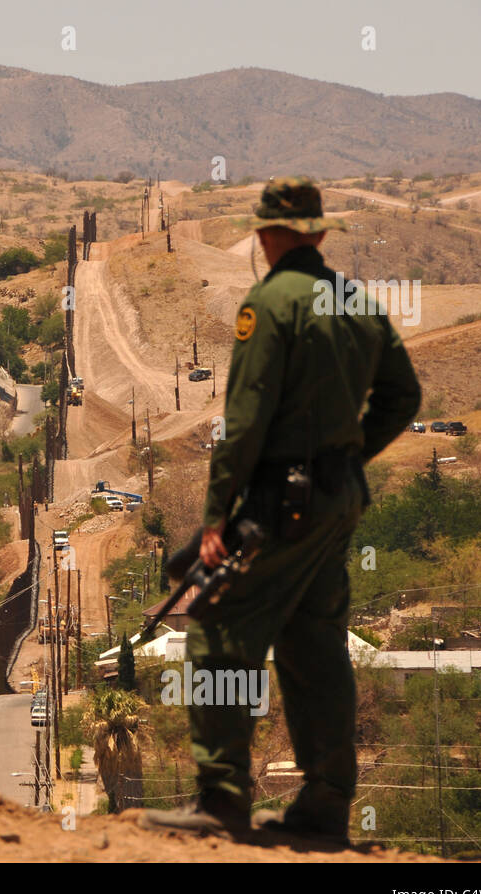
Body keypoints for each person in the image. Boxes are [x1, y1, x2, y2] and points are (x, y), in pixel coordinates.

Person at [139, 177, 421, 843]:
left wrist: (214, 517)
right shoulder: (356, 303)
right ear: (319, 235)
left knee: (217, 629)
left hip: (279, 503)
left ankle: (223, 795)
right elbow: (403, 397)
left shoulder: (268, 306)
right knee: (315, 644)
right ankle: (325, 808)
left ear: (266, 237)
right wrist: (347, 458)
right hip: (335, 504)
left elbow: (244, 423)